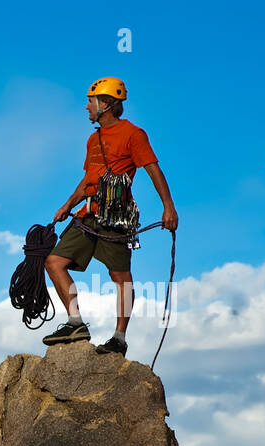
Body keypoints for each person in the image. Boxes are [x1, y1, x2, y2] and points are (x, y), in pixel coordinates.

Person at [41, 77, 178, 356]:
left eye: (90, 102)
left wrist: (169, 207)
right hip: (86, 214)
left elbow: (153, 170)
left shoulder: (133, 134)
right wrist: (68, 204)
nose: (86, 107)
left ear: (105, 105)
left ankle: (119, 338)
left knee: (121, 277)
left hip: (114, 217)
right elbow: (88, 178)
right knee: (54, 262)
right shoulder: (93, 139)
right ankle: (75, 322)